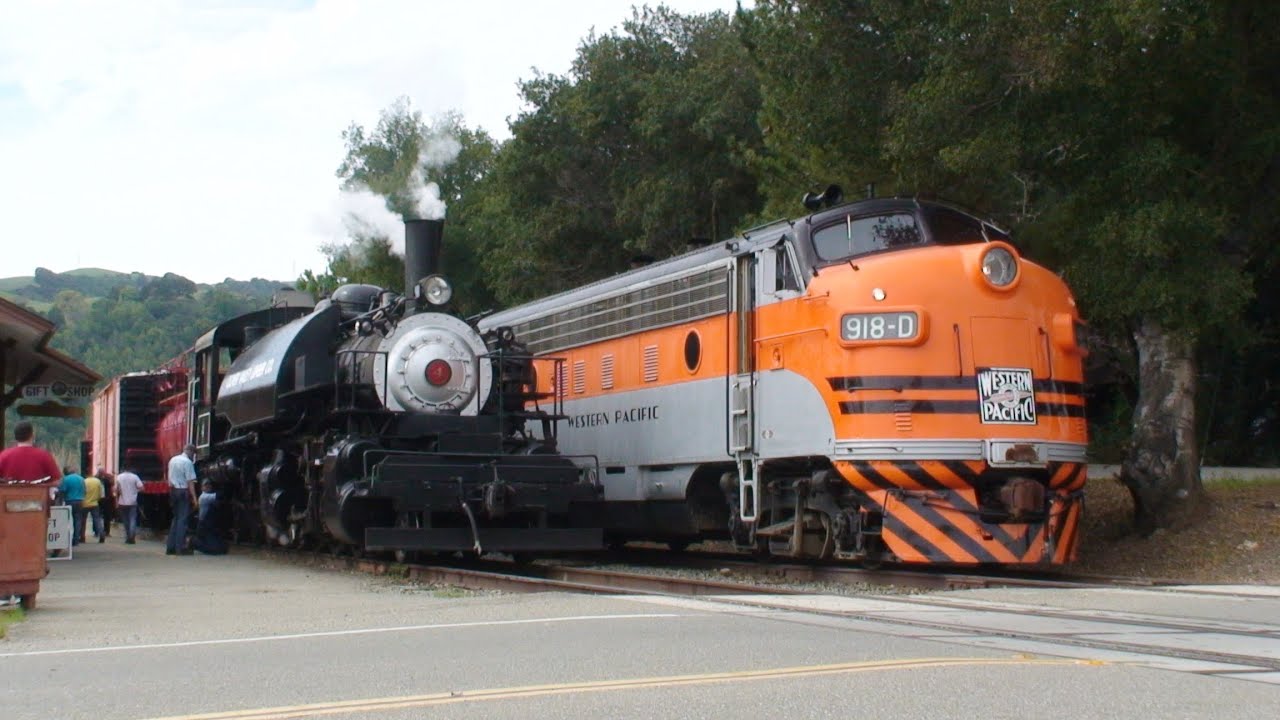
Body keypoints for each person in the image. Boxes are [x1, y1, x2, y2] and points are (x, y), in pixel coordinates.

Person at [166, 444, 198, 555]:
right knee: (182, 520)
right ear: (190, 452)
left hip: (173, 490)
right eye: (193, 454)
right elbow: (190, 482)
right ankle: (180, 548)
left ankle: (170, 547)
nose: (193, 456)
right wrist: (194, 498)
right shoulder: (188, 462)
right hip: (182, 491)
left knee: (175, 518)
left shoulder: (172, 460)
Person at [193, 479, 227, 555]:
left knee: (222, 548)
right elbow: (219, 495)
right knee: (214, 550)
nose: (208, 486)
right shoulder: (204, 497)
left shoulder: (209, 496)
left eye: (209, 484)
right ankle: (194, 542)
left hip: (209, 526)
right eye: (206, 485)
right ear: (202, 488)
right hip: (204, 527)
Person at [114, 467, 144, 544]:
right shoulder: (135, 477)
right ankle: (132, 537)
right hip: (132, 502)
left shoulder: (119, 477)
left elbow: (115, 489)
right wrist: (135, 491)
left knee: (125, 520)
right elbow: (142, 488)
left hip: (122, 502)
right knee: (132, 519)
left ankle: (128, 536)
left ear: (123, 470)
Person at [60, 465, 86, 546]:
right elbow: (85, 490)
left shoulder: (66, 479)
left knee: (67, 520)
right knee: (77, 520)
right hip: (80, 501)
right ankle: (76, 539)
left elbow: (63, 491)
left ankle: (66, 538)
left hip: (69, 501)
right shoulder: (81, 478)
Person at [82, 470, 105, 543]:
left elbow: (82, 492)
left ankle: (82, 536)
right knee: (97, 520)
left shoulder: (84, 481)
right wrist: (97, 499)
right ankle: (101, 533)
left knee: (83, 521)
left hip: (84, 503)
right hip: (95, 503)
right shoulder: (98, 481)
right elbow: (101, 493)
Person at [97, 467, 116, 538]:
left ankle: (98, 531)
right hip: (107, 499)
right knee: (106, 516)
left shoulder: (97, 478)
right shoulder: (108, 477)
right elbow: (112, 484)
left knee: (98, 516)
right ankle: (105, 531)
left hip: (101, 499)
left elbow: (112, 484)